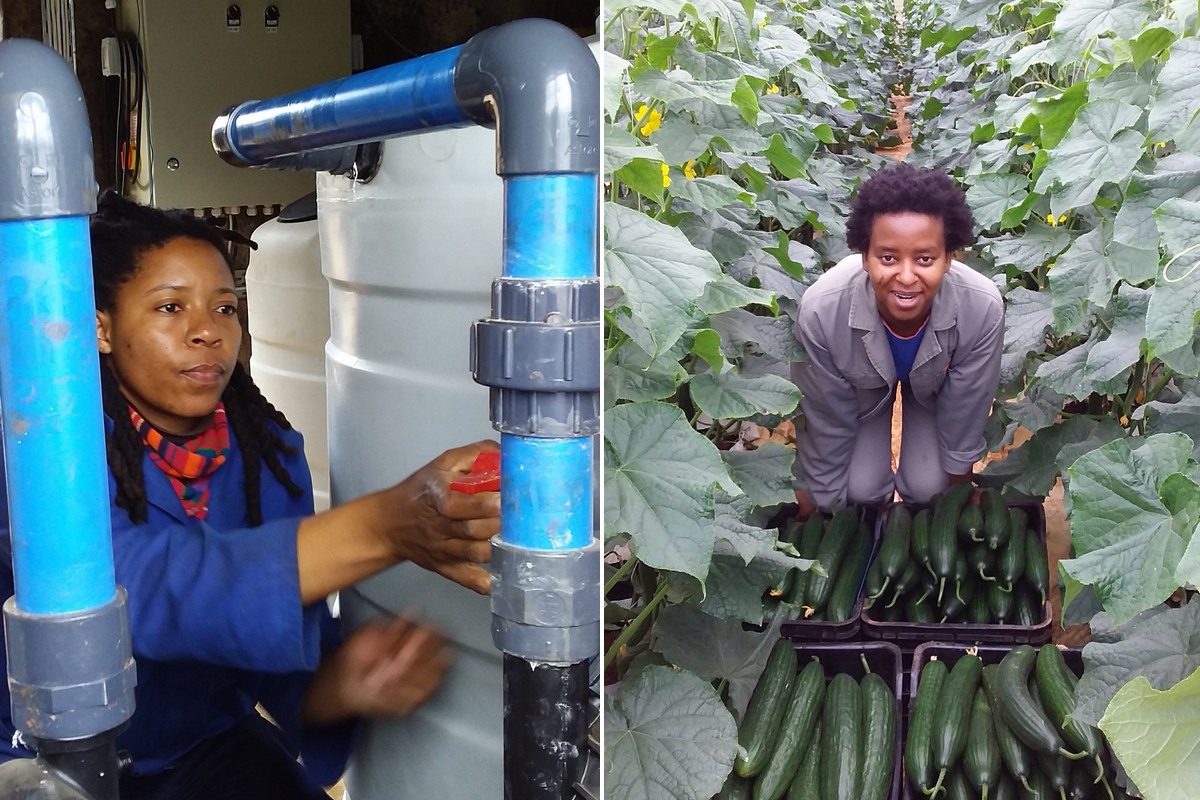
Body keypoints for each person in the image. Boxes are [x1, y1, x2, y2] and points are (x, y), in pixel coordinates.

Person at [0, 192, 501, 799]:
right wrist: (386, 526)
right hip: (45, 759)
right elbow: (141, 590)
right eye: (170, 307)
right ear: (101, 329)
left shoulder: (270, 456)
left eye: (225, 308)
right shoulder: (46, 458)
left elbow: (280, 650)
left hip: (199, 751)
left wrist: (339, 684)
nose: (207, 332)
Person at [791, 162, 1004, 514]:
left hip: (934, 394)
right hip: (862, 397)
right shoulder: (821, 312)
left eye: (925, 258)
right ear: (864, 257)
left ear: (948, 258)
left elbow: (965, 408)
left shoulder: (981, 308)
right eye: (887, 257)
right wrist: (824, 510)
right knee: (860, 491)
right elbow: (826, 420)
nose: (906, 277)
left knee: (929, 489)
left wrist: (958, 494)